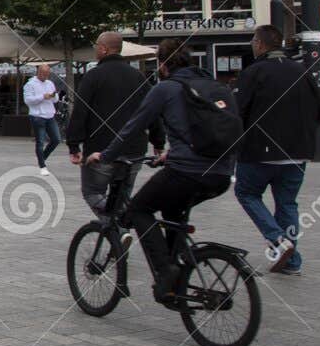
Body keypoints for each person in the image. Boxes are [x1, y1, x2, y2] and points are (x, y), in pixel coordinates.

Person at [89, 39, 238, 303]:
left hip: (187, 172)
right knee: (172, 210)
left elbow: (134, 127)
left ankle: (166, 270)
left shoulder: (167, 88)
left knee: (137, 209)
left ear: (164, 64)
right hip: (222, 174)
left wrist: (105, 155)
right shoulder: (214, 85)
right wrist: (167, 152)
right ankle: (176, 272)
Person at [233, 24, 320, 275]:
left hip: (260, 151)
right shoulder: (302, 71)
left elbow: (239, 112)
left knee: (247, 193)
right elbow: (319, 111)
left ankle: (277, 239)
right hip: (296, 152)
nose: (252, 44)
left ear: (260, 44)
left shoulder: (253, 73)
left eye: (253, 41)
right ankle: (291, 261)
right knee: (287, 204)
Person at [66, 31, 162, 225]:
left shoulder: (93, 77)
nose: (95, 49)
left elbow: (80, 112)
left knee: (93, 192)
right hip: (134, 149)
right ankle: (121, 229)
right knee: (123, 197)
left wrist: (74, 145)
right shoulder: (139, 77)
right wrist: (158, 141)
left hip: (101, 148)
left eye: (96, 46)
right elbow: (152, 110)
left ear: (104, 49)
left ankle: (117, 229)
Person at [23, 62, 62, 174]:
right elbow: (28, 101)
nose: (46, 76)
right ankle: (42, 166)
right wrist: (42, 97)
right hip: (37, 116)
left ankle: (42, 158)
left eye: (47, 74)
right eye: (44, 74)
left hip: (50, 115)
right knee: (40, 141)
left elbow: (55, 100)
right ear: (39, 72)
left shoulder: (50, 83)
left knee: (56, 139)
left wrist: (54, 96)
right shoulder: (30, 84)